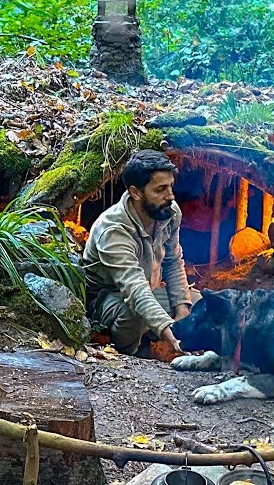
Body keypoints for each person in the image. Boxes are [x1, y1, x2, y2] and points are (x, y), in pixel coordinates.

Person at [83, 149, 195, 356]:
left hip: (150, 291)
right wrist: (172, 336)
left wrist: (183, 313)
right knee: (135, 315)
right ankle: (132, 354)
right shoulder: (113, 230)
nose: (170, 196)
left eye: (171, 186)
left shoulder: (169, 211)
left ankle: (154, 332)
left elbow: (173, 262)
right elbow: (134, 288)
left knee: (203, 307)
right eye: (160, 189)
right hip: (109, 299)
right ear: (136, 192)